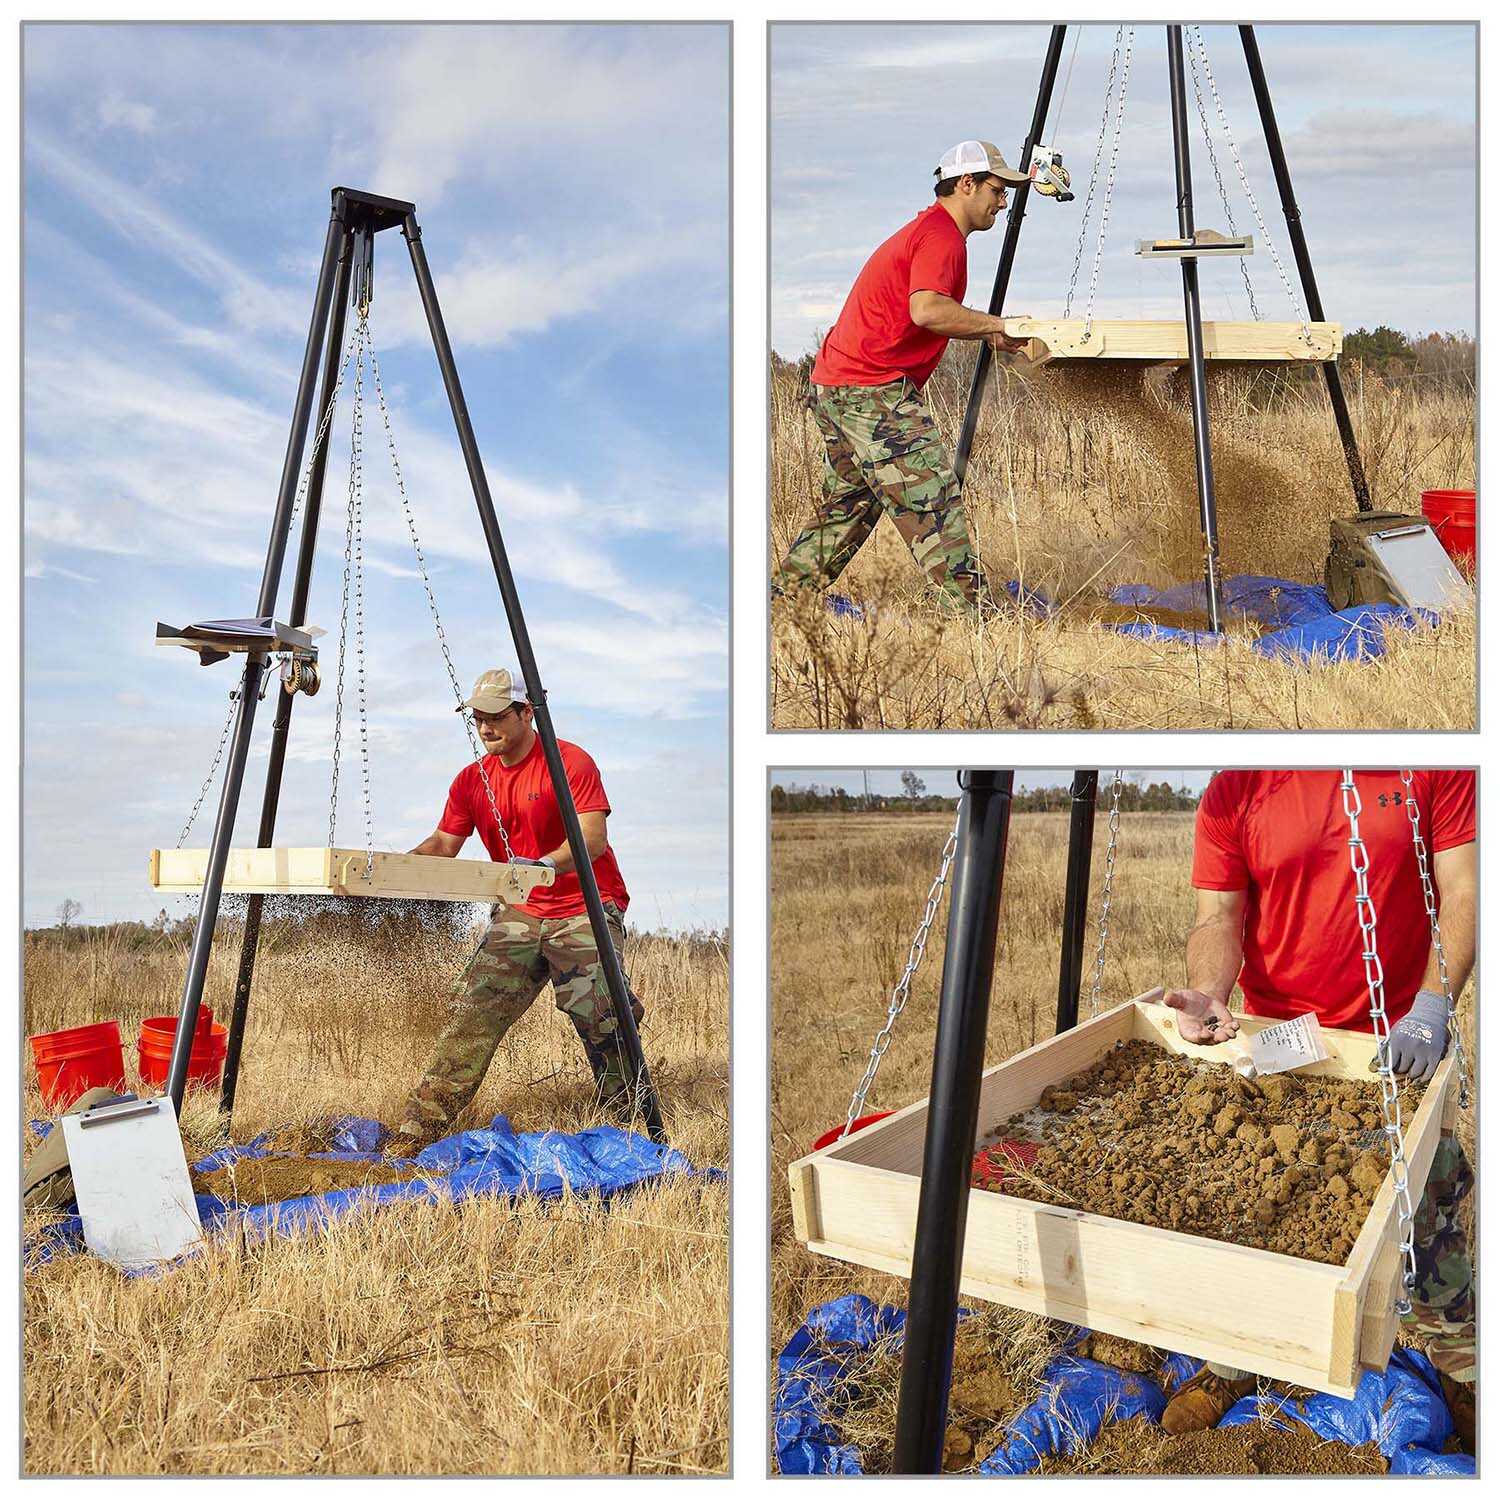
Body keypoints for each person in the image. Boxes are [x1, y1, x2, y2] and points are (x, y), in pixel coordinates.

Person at [1160, 769, 1476, 1434]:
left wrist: (1432, 1006)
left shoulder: (1428, 764)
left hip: (1398, 1040)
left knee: (1425, 1220)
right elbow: (1218, 916)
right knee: (1261, 1208)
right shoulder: (1238, 788)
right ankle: (1234, 1361)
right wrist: (1211, 990)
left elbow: (1466, 889)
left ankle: (1464, 1370)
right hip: (1283, 1045)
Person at [772, 140, 1033, 612]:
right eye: (998, 190)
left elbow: (931, 313)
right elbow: (928, 310)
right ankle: (972, 614)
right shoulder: (942, 237)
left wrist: (985, 334)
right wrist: (997, 323)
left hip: (836, 384)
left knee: (849, 506)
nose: (1003, 202)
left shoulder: (928, 231)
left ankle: (784, 602)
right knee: (930, 495)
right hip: (870, 389)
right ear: (966, 184)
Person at [391, 668, 644, 1152]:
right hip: (520, 912)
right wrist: (390, 869)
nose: (485, 727)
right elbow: (444, 844)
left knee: (599, 1012)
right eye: (477, 719)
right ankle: (415, 1131)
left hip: (582, 905)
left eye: (495, 716)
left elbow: (592, 839)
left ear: (527, 713)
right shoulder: (472, 781)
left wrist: (543, 864)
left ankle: (630, 1119)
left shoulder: (569, 762)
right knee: (473, 1012)